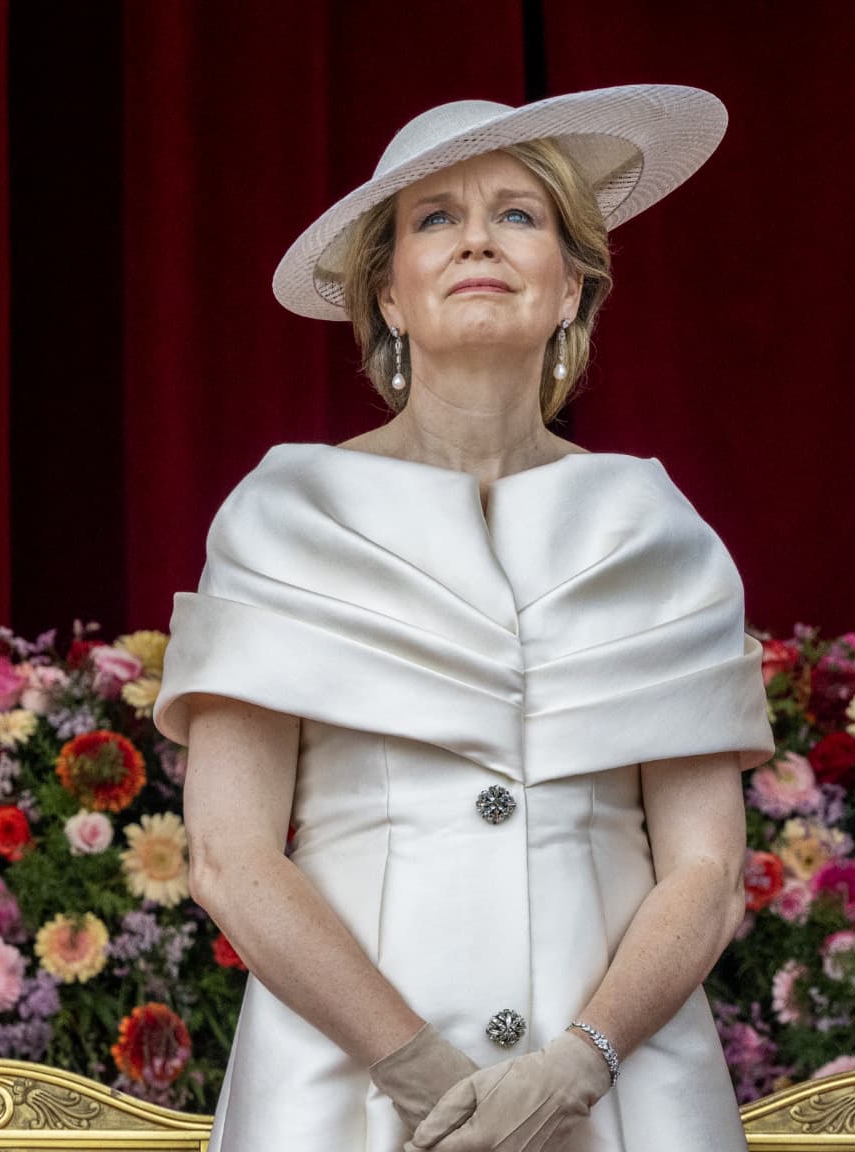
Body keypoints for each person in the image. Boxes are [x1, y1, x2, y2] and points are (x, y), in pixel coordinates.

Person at [153, 89, 773, 1152]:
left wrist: (577, 1069)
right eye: (434, 218)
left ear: (571, 283)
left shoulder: (656, 525)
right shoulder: (282, 514)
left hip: (619, 1089)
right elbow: (230, 855)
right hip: (346, 1092)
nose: (477, 237)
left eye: (518, 215)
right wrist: (424, 1074)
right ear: (386, 295)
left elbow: (707, 875)